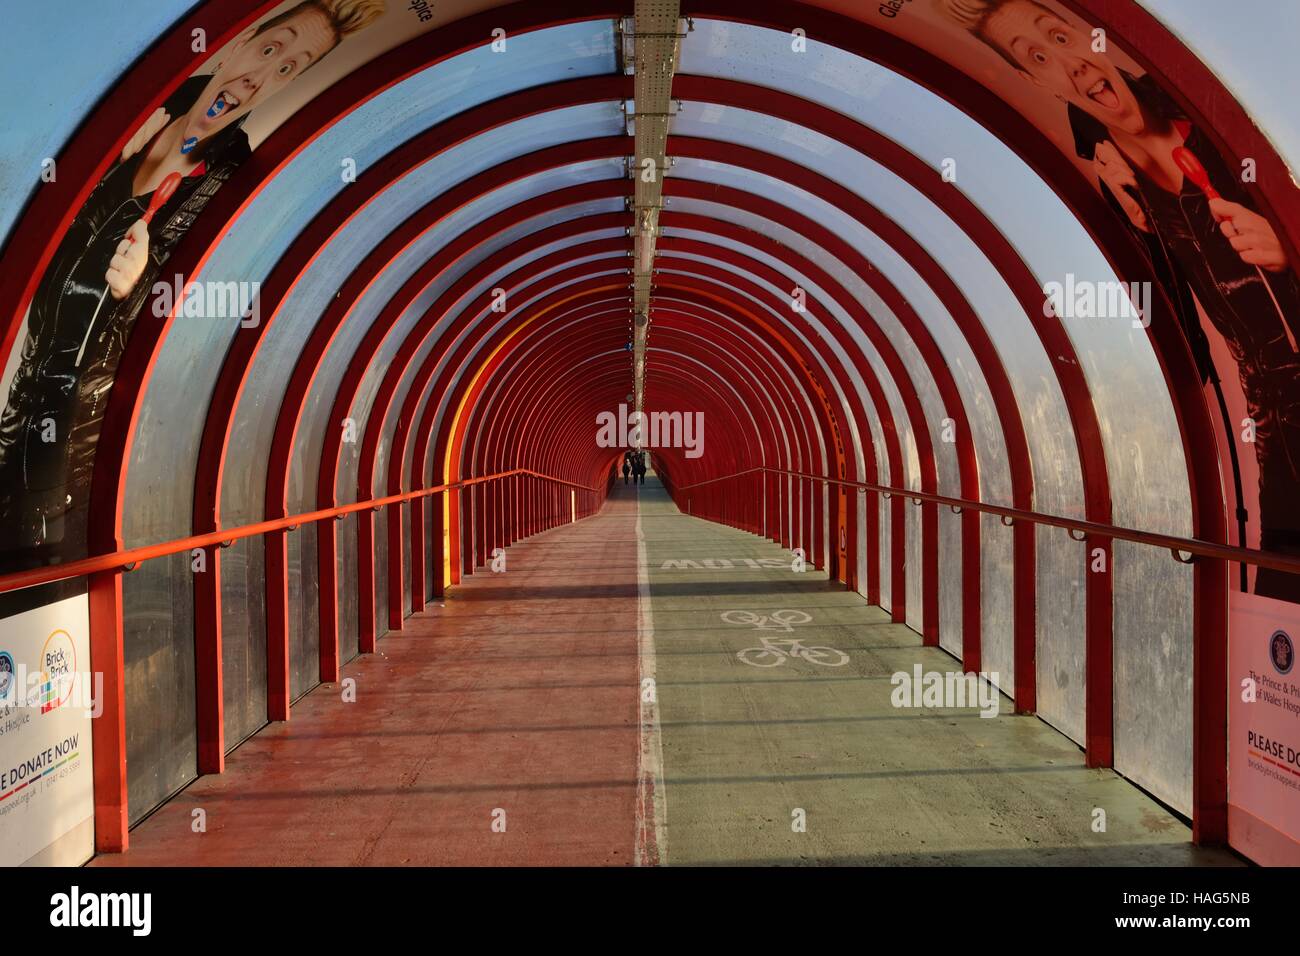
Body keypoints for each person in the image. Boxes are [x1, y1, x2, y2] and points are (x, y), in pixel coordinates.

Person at [0, 0, 385, 574]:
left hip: (81, 452)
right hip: (17, 411)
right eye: (271, 48)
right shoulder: (126, 117)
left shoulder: (228, 184)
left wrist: (136, 291)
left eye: (288, 69)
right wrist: (105, 168)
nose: (262, 75)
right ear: (240, 41)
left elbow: (193, 325)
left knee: (40, 588)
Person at [938, 0, 1300, 602]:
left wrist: (1291, 253)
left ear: (1094, 34)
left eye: (1060, 35)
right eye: (1037, 57)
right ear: (1033, 82)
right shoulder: (1118, 179)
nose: (1070, 65)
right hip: (1273, 442)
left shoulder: (1217, 128)